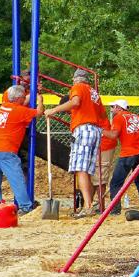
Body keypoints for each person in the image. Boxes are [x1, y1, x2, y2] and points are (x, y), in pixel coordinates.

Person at [43, 69, 103, 218]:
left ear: (75, 79)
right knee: (86, 170)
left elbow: (75, 102)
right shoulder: (94, 93)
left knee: (80, 169)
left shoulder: (78, 87)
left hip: (83, 129)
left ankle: (88, 206)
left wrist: (54, 110)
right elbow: (101, 114)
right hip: (95, 130)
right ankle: (87, 205)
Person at [0, 85, 44, 215]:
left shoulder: (5, 106)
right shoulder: (20, 111)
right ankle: (25, 206)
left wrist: (32, 91)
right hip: (5, 148)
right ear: (18, 99)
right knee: (17, 178)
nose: (25, 100)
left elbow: (23, 98)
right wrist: (40, 99)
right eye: (23, 98)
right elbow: (39, 112)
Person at [101, 99, 139, 217]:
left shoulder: (119, 117)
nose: (111, 109)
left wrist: (100, 130)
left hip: (128, 153)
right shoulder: (136, 116)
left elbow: (113, 135)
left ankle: (115, 210)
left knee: (116, 182)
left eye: (112, 107)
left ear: (119, 107)